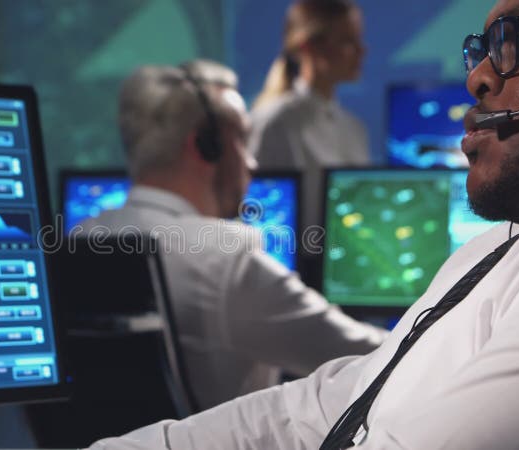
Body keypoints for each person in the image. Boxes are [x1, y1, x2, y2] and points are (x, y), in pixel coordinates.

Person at [89, 0, 519, 447]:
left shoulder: (78, 242)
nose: (476, 77)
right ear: (210, 148)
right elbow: (338, 392)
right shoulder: (484, 252)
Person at [78, 59, 387, 411]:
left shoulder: (80, 240)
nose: (252, 163)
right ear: (205, 146)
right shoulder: (226, 258)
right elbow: (371, 355)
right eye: (241, 138)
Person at [248, 0, 370, 235]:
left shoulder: (354, 128)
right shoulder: (273, 123)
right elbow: (259, 211)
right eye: (347, 41)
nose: (361, 50)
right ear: (309, 47)